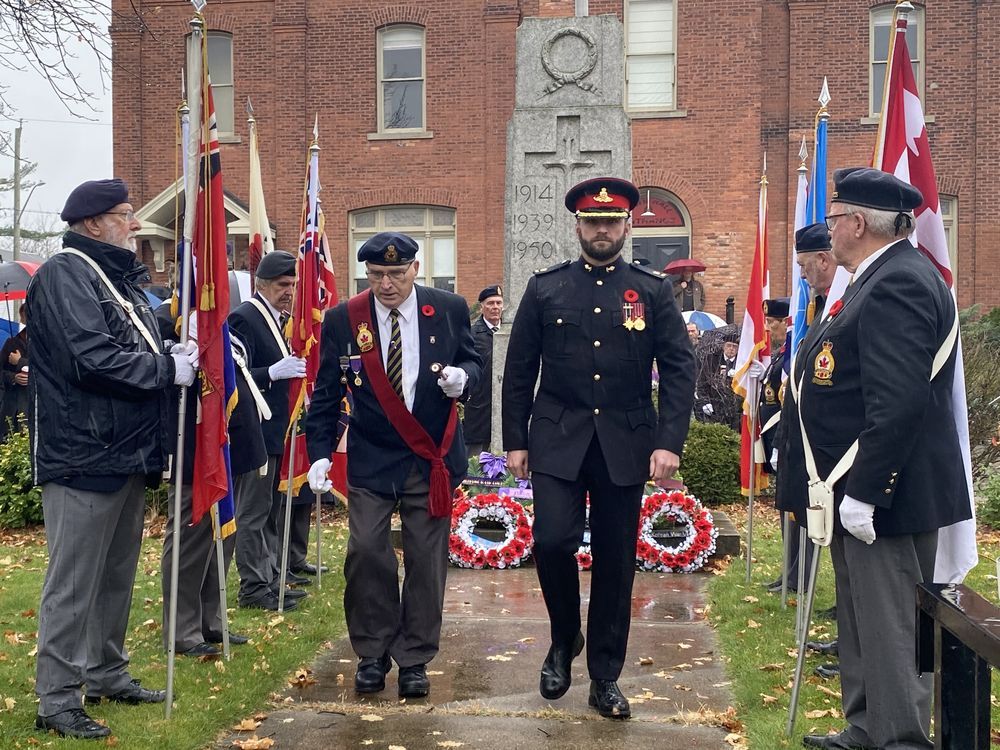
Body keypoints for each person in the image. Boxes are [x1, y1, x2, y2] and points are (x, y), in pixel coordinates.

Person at [782, 168, 971, 750]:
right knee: (862, 616)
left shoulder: (899, 283)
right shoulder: (878, 276)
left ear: (858, 224)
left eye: (835, 219)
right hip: (863, 486)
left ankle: (902, 741)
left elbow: (897, 399)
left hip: (889, 491)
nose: (830, 231)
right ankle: (867, 727)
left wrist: (867, 490)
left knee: (888, 624)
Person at [502, 177, 695, 720]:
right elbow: (519, 372)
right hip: (558, 437)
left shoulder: (651, 289)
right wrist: (514, 439)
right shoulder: (545, 288)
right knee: (552, 540)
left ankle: (606, 676)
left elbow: (679, 369)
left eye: (612, 222)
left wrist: (668, 443)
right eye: (593, 222)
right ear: (578, 226)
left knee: (615, 561)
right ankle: (565, 639)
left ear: (628, 225)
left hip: (625, 443)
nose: (602, 230)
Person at [29, 179, 198, 739]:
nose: (135, 224)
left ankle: (106, 672)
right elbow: (91, 357)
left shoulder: (115, 280)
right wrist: (162, 371)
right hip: (83, 452)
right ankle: (57, 697)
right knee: (74, 581)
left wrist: (172, 346)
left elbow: (134, 344)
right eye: (126, 215)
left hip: (125, 450)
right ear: (93, 223)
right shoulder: (65, 274)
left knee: (116, 575)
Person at [306, 231, 481, 699]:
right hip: (373, 455)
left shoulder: (448, 309)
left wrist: (465, 378)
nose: (387, 285)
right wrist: (318, 452)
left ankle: (414, 658)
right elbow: (326, 391)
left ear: (415, 270)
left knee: (426, 561)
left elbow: (473, 361)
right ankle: (371, 650)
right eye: (377, 274)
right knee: (366, 551)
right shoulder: (345, 318)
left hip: (432, 458)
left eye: (397, 274)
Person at [155, 306, 267, 656]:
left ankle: (210, 620)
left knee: (222, 537)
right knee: (190, 538)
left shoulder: (222, 323)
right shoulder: (165, 321)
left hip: (230, 448)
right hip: (193, 449)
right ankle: (182, 630)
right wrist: (169, 350)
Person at [227, 251, 309, 611]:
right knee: (254, 511)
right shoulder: (245, 317)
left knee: (272, 509)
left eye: (292, 284)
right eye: (281, 285)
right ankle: (253, 586)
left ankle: (272, 577)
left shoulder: (278, 318)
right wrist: (273, 372)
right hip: (255, 430)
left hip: (275, 430)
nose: (289, 291)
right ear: (261, 284)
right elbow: (235, 375)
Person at [463, 284, 504, 457]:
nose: (495, 307)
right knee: (476, 458)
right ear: (482, 307)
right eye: (490, 303)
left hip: (505, 403)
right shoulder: (472, 334)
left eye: (498, 303)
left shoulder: (512, 330)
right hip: (479, 407)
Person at [0, 305, 29, 439]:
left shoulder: (46, 342)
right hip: (13, 405)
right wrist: (13, 377)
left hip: (36, 406)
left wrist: (20, 361)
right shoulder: (12, 342)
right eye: (26, 315)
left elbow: (51, 368)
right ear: (22, 318)